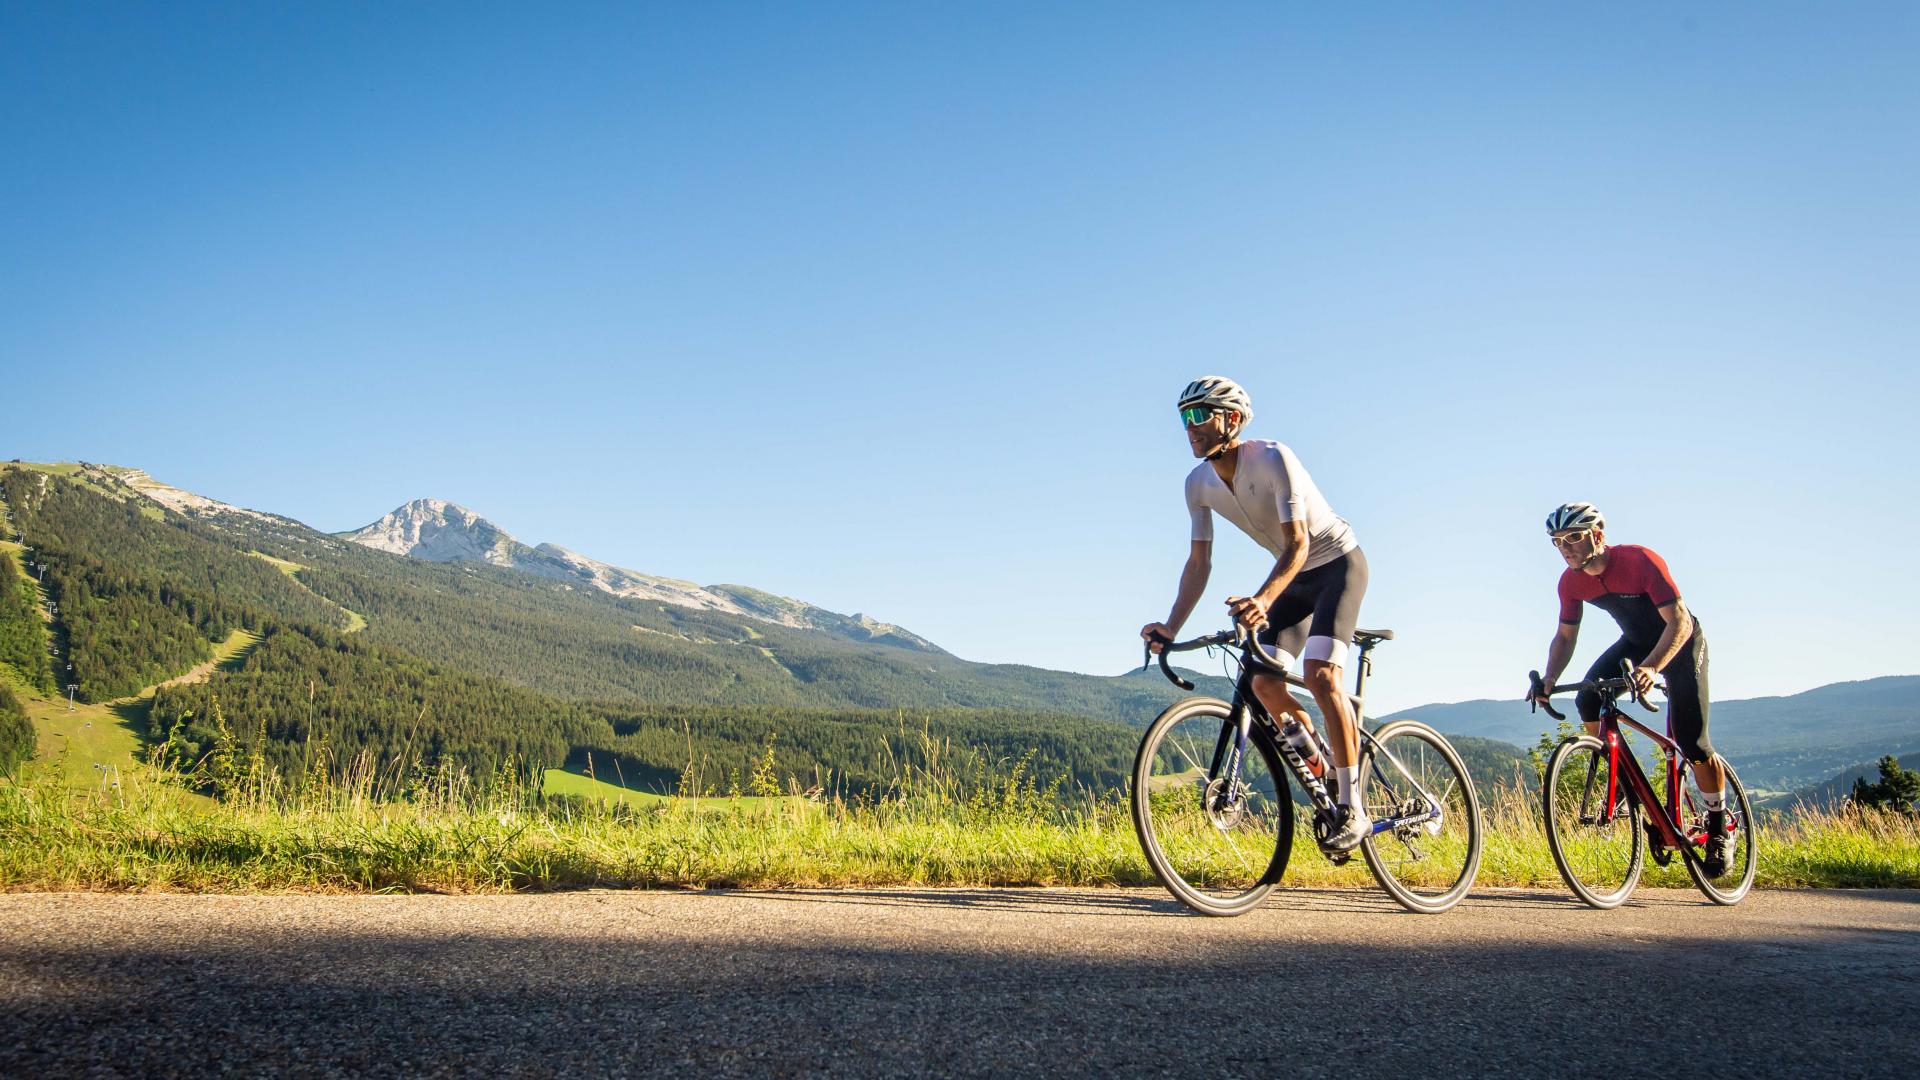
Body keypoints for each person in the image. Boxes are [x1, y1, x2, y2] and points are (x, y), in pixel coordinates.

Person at [1140, 376, 1373, 852]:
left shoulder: (1272, 458)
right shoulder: (1198, 485)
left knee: (1322, 676)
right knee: (1265, 683)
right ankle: (1322, 762)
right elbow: (1199, 563)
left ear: (1232, 419)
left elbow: (1299, 544)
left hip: (1336, 566)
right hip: (1294, 577)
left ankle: (1354, 808)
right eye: (1183, 417)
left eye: (1199, 415)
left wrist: (1263, 601)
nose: (1190, 427)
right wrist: (1170, 626)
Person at [1528, 502, 1733, 876]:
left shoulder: (1640, 561)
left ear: (1598, 535)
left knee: (1694, 743)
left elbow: (1680, 622)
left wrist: (1653, 668)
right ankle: (1624, 781)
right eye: (1558, 541)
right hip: (1637, 642)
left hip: (1682, 643)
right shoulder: (1571, 582)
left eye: (1574, 537)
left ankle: (1719, 826)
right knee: (1588, 698)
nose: (1566, 546)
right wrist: (1549, 678)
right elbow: (1564, 635)